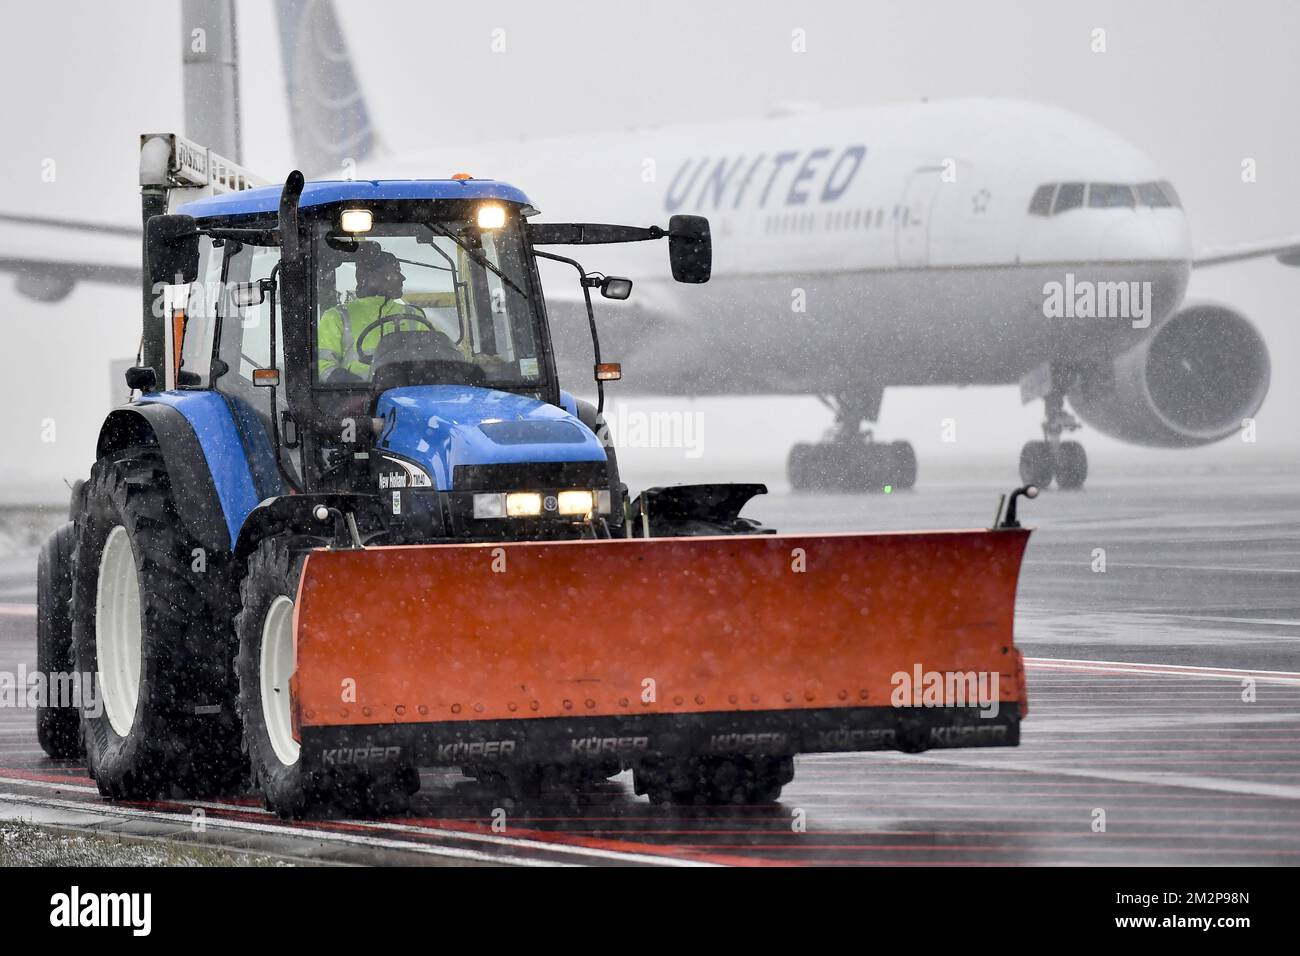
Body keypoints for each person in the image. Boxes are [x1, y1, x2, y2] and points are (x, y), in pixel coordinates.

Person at [317, 245, 431, 382]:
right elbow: (322, 364)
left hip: (409, 396)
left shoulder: (414, 315)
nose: (402, 278)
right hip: (355, 396)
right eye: (396, 271)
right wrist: (350, 383)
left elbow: (435, 355)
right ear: (374, 277)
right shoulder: (337, 317)